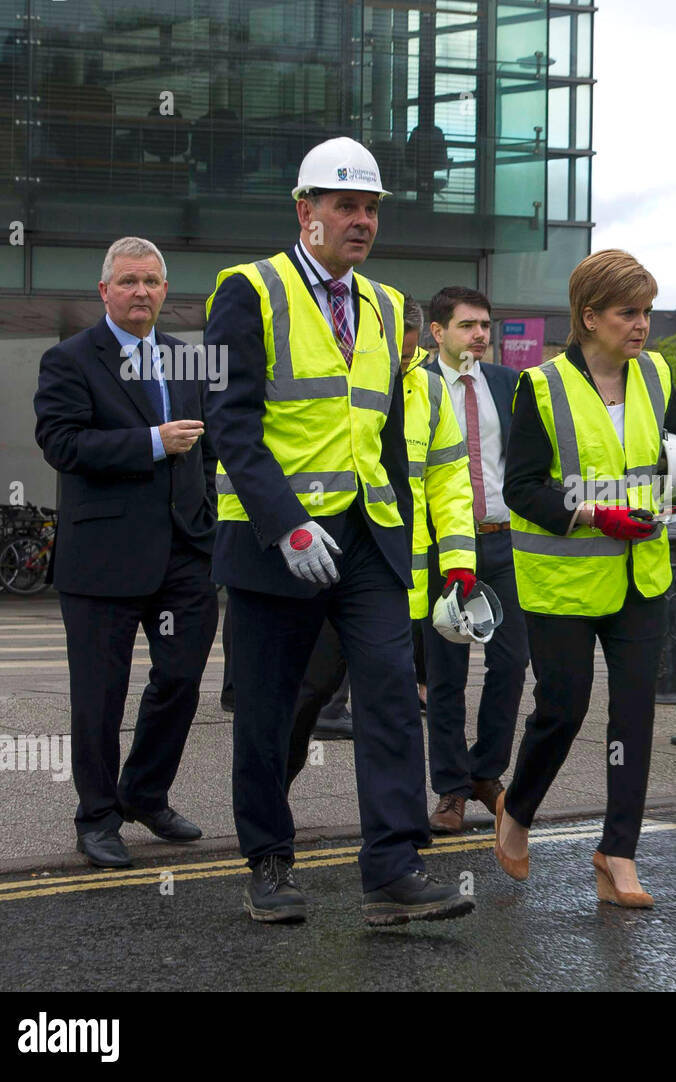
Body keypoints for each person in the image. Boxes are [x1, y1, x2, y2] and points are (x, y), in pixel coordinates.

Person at [202, 136, 473, 926]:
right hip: (273, 541)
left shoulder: (389, 307)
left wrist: (412, 538)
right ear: (305, 210)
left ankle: (391, 867)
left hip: (368, 540)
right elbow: (230, 424)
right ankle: (269, 862)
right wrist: (285, 525)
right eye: (344, 206)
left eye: (370, 209)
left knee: (391, 697)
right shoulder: (245, 291)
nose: (360, 222)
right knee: (270, 708)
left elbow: (390, 434)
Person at [493, 249, 676, 907]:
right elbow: (521, 489)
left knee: (634, 717)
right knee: (563, 708)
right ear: (589, 316)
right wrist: (592, 512)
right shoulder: (541, 386)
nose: (642, 325)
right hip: (563, 584)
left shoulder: (655, 376)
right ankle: (517, 810)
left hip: (642, 577)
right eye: (628, 313)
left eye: (647, 311)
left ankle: (618, 854)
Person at [34, 236, 218, 869]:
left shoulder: (186, 358)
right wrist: (148, 443)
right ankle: (97, 817)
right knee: (100, 696)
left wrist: (210, 515)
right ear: (104, 291)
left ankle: (145, 792)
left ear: (165, 291)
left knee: (182, 679)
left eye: (152, 281)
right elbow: (61, 444)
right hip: (104, 558)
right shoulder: (70, 359)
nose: (142, 291)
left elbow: (209, 446)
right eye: (129, 281)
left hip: (185, 553)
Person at [283, 295, 477, 791]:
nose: (404, 362)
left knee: (393, 708)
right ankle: (272, 796)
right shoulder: (344, 381)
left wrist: (458, 563)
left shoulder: (430, 391)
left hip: (396, 583)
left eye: (412, 353)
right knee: (305, 696)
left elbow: (450, 482)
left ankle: (397, 830)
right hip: (329, 566)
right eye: (397, 352)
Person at [421, 286, 530, 835]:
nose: (481, 335)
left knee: (511, 664)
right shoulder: (414, 386)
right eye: (468, 326)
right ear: (438, 332)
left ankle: (486, 772)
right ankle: (450, 790)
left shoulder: (508, 386)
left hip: (504, 541)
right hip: (445, 547)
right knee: (446, 675)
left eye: (486, 325)